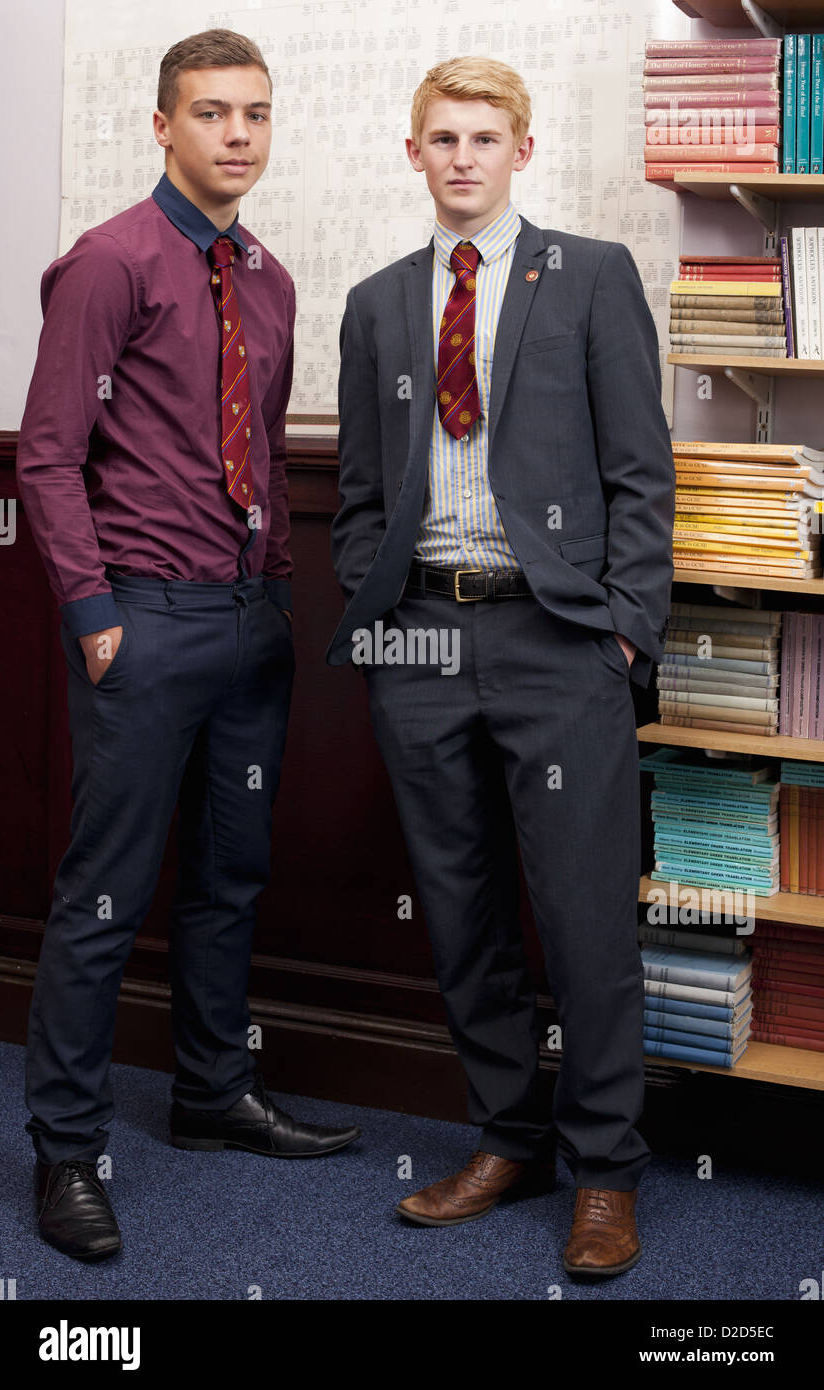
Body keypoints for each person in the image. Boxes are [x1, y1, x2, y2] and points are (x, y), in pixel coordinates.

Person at [17, 27, 360, 1263]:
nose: (237, 134)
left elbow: (261, 455)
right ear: (163, 125)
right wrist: (95, 621)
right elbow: (50, 453)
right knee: (103, 894)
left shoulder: (267, 275)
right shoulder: (108, 263)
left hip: (246, 625)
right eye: (212, 113)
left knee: (231, 876)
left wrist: (275, 598)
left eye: (255, 114)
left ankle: (213, 1096)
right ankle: (66, 1151)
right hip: (143, 624)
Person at [327, 56, 674, 1278]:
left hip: (557, 638)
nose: (463, 157)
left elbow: (641, 468)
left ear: (520, 151)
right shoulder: (374, 304)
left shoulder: (589, 275)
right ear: (411, 152)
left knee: (584, 921)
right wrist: (375, 626)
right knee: (463, 910)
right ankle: (505, 1135)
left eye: (485, 137)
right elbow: (362, 495)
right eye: (442, 138)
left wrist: (625, 627)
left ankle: (607, 1171)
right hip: (419, 638)